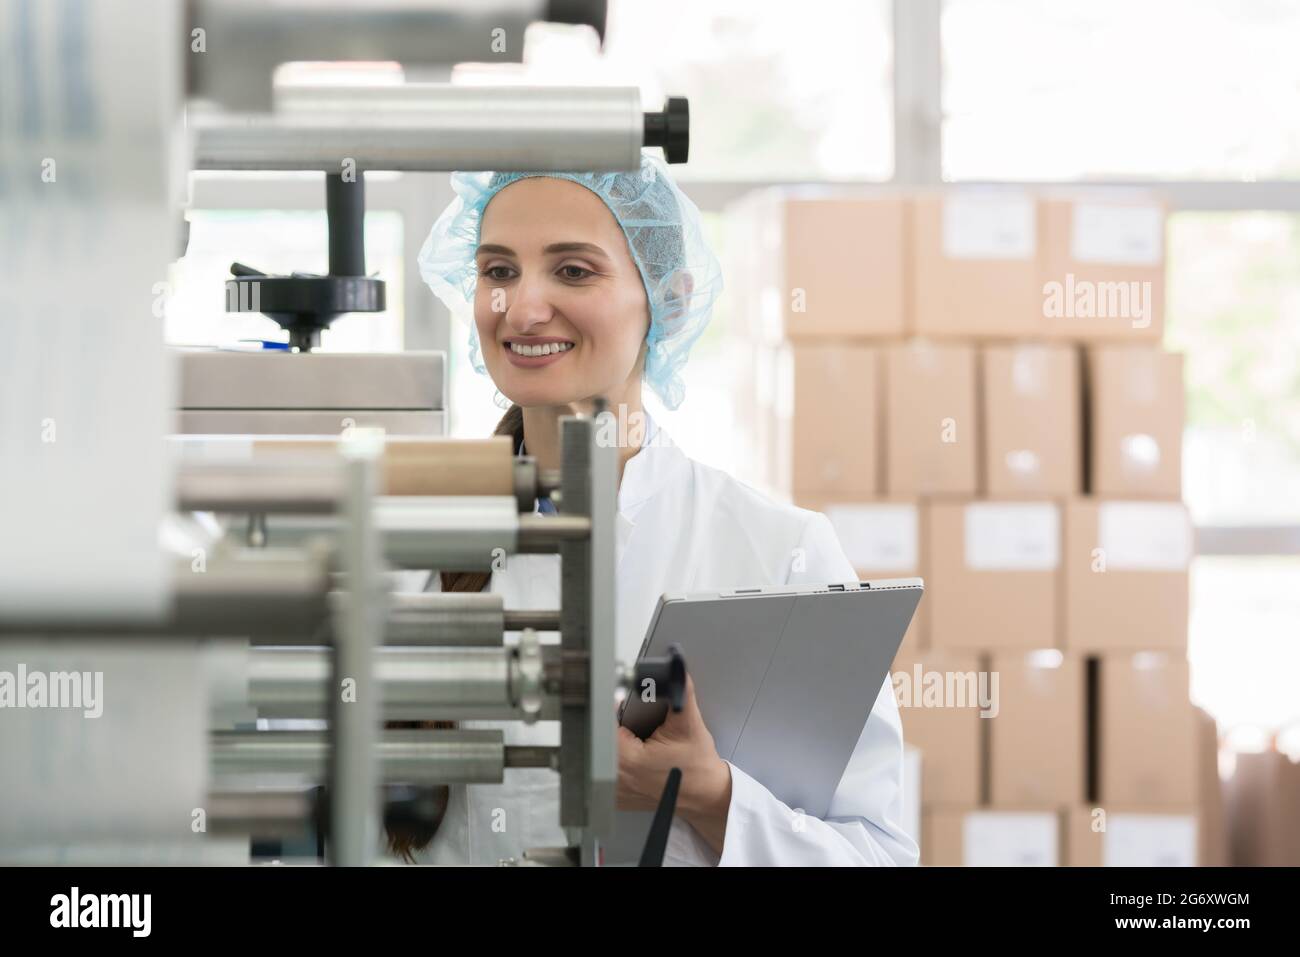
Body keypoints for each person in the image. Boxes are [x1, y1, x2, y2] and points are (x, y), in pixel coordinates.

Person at [401, 152, 918, 866]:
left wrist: (712, 794)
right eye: (498, 271)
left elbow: (879, 853)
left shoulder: (781, 555)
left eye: (574, 270)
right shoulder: (407, 544)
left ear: (666, 300)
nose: (521, 308)